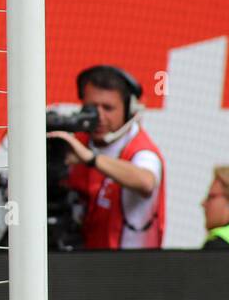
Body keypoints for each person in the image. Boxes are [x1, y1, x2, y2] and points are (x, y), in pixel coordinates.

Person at [47, 64, 165, 250]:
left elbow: (146, 181)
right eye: (92, 107)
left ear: (129, 110)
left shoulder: (140, 149)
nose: (99, 117)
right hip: (87, 260)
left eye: (108, 108)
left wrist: (91, 159)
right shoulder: (80, 140)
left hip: (132, 268)